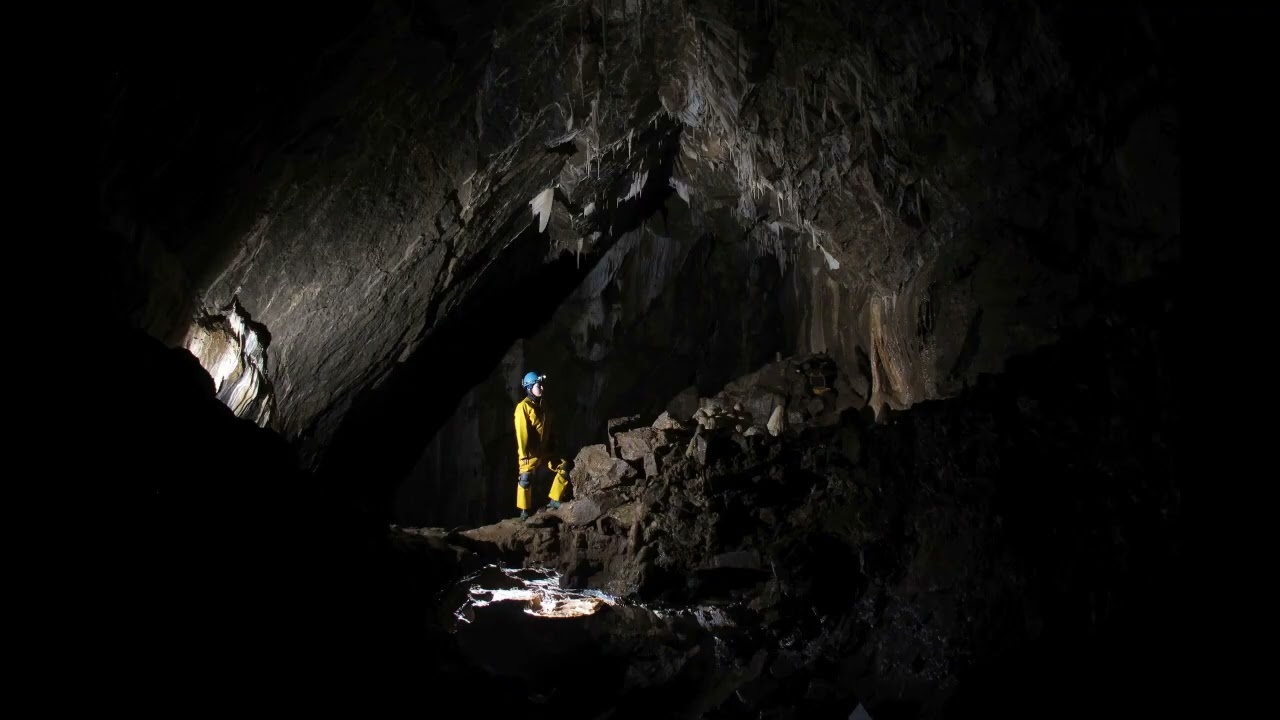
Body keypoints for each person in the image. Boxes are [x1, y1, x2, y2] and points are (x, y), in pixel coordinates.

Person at [514, 371, 569, 520]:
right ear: (529, 388)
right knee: (525, 479)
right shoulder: (523, 407)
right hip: (530, 454)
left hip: (544, 451)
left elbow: (549, 426)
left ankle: (555, 499)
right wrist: (524, 454)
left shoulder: (544, 404)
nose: (542, 389)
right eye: (539, 386)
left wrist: (552, 442)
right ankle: (524, 512)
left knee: (564, 467)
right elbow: (521, 432)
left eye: (542, 385)